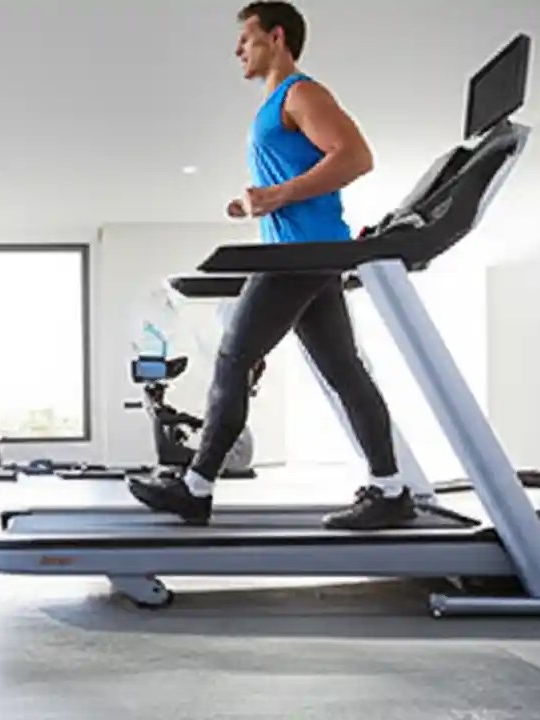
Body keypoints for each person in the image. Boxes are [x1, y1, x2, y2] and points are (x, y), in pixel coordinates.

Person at [127, 0, 415, 531]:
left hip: (299, 255)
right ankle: (390, 489)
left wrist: (277, 196)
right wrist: (254, 203)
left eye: (246, 37)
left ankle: (196, 487)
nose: (238, 49)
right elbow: (297, 179)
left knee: (234, 359)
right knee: (344, 371)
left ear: (276, 37)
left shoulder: (300, 92)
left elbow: (355, 157)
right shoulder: (274, 106)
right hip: (310, 253)